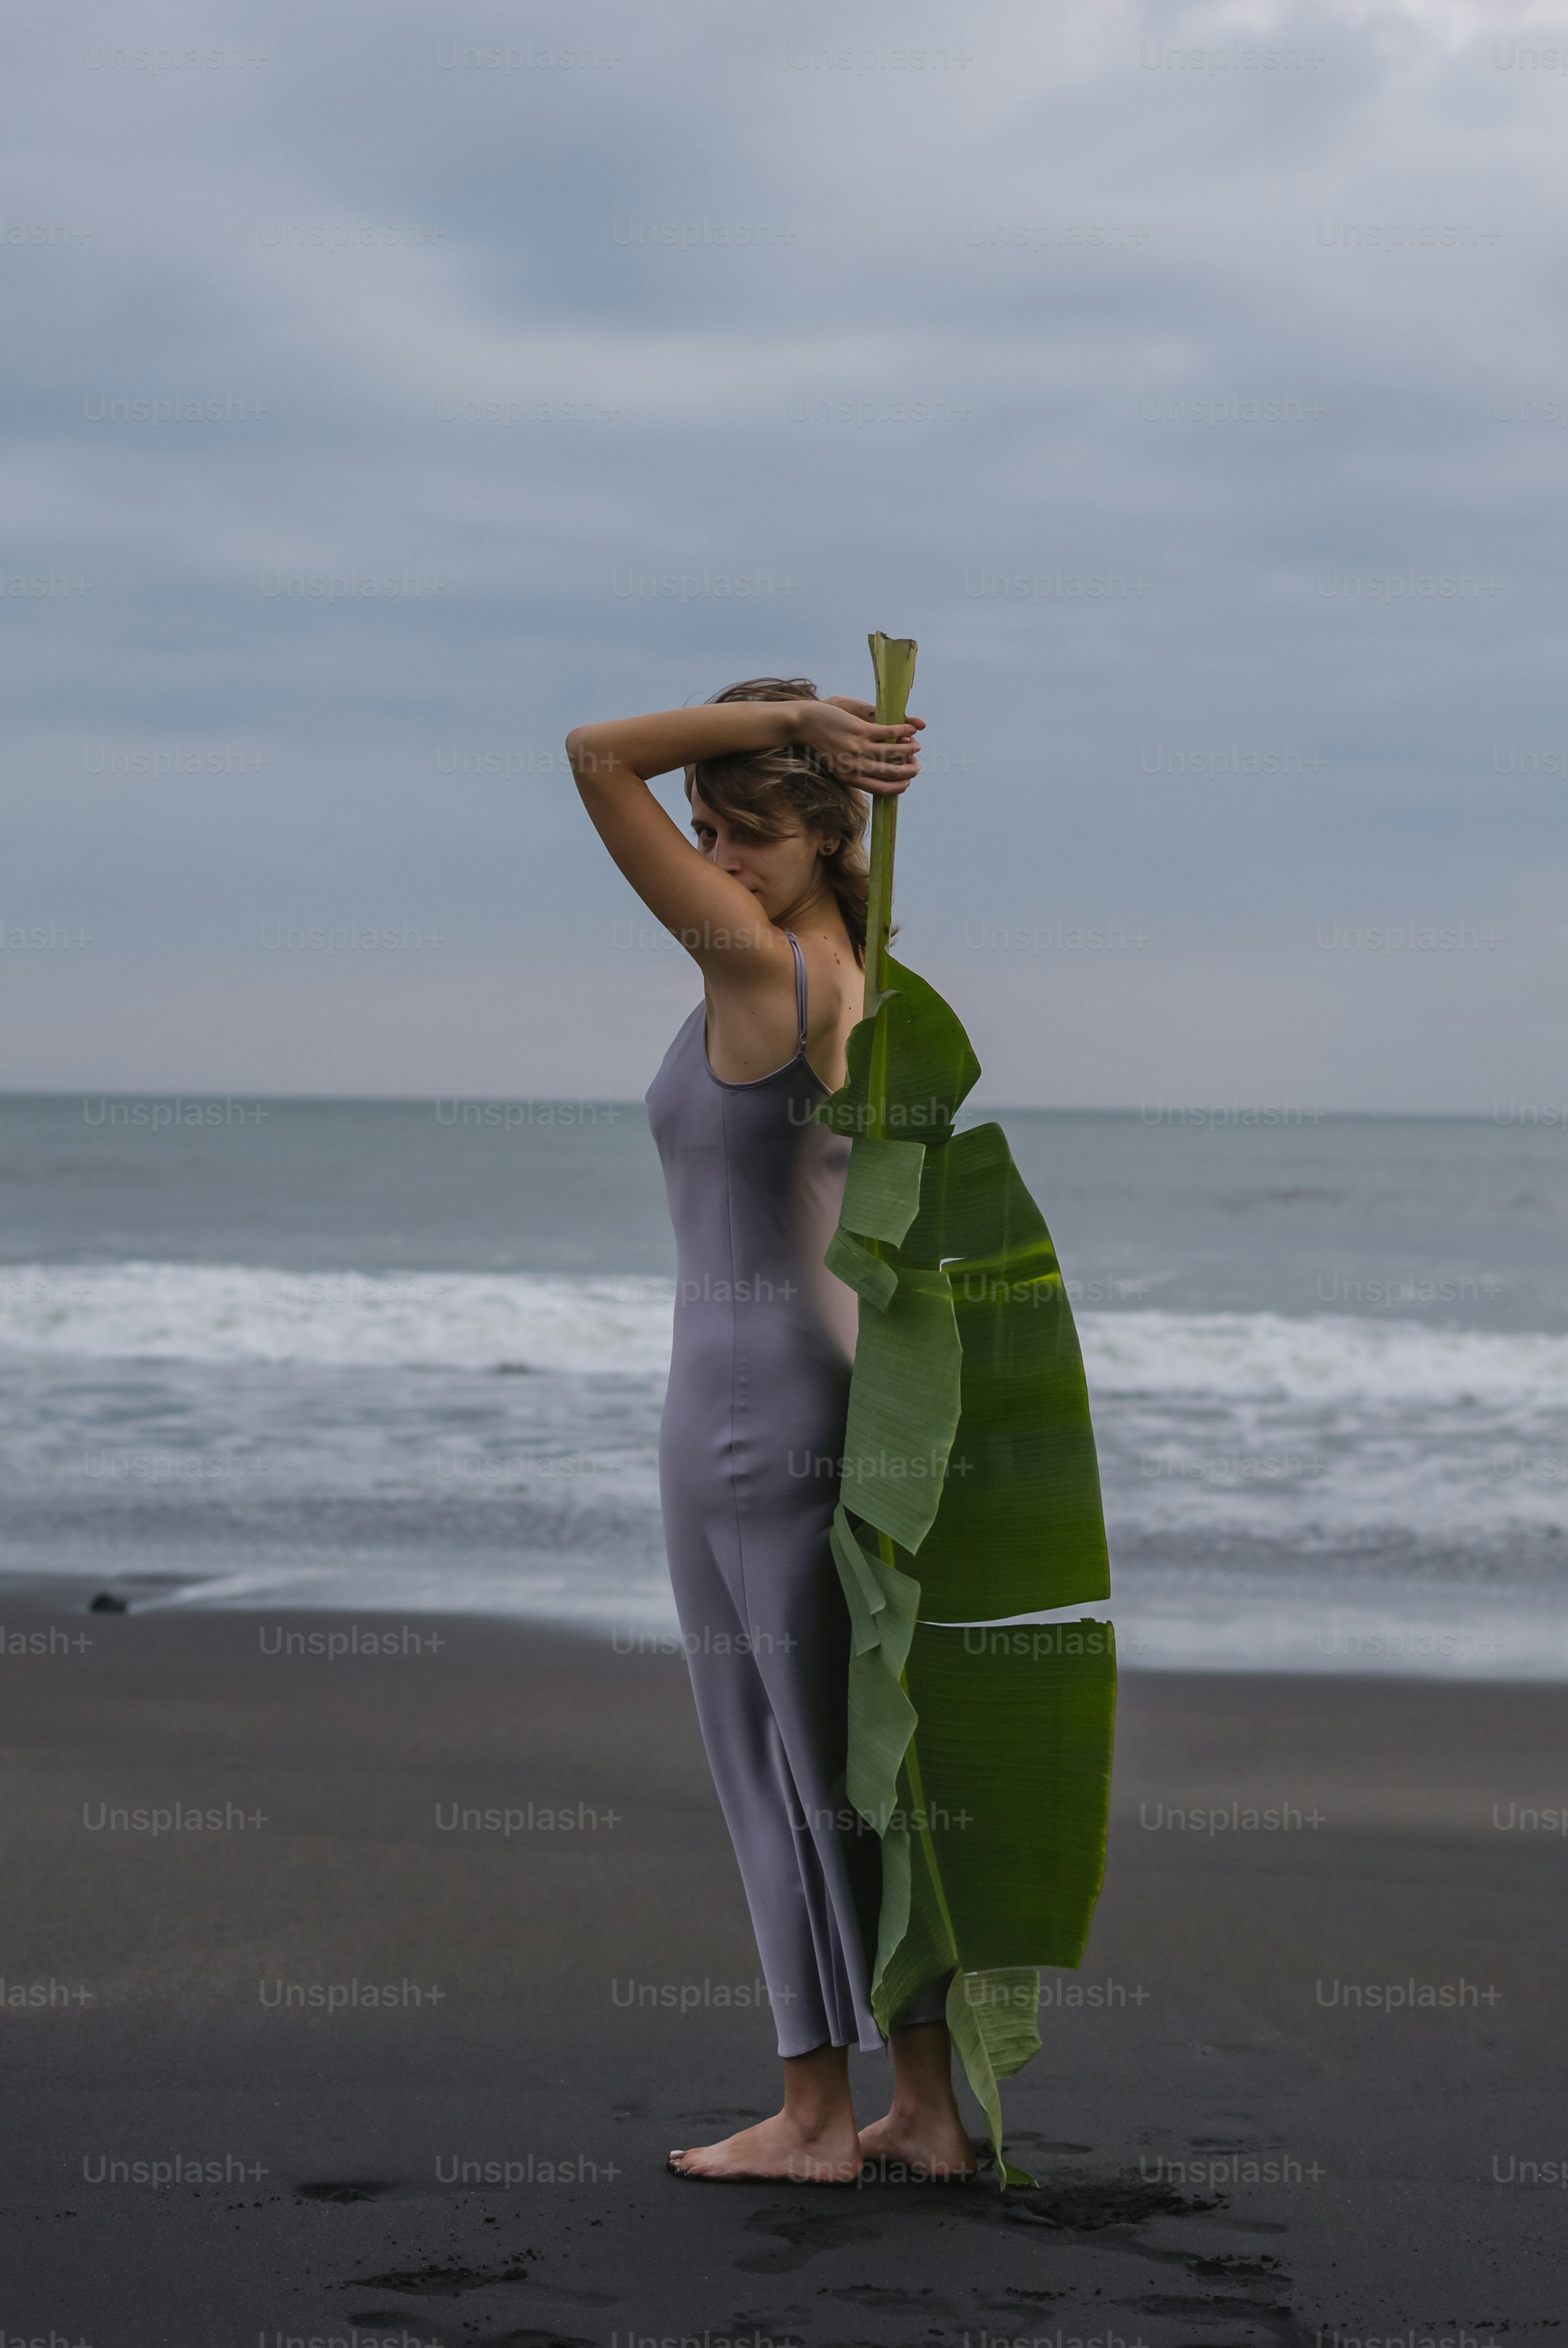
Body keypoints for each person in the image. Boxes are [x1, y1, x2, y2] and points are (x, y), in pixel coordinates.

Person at [566, 676, 976, 2184]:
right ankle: (922, 2106)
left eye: (744, 828)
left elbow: (590, 750)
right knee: (844, 1770)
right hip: (816, 1394)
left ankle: (815, 2117)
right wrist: (791, 736)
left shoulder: (759, 971)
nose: (716, 854)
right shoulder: (843, 963)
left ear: (814, 831)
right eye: (706, 830)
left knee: (773, 1771)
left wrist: (794, 705)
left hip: (742, 1416)